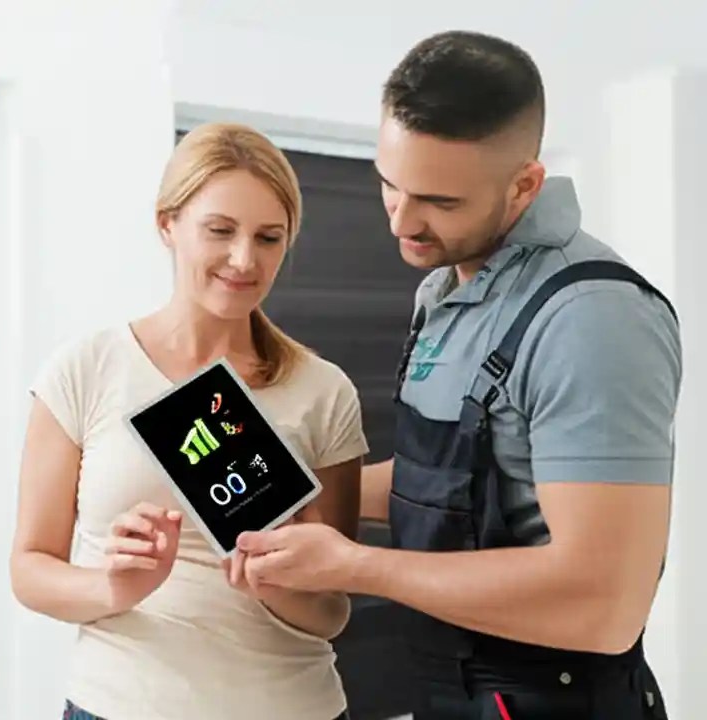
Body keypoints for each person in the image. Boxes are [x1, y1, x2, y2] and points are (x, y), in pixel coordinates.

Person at [232, 30, 681, 720]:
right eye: (389, 185)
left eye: (440, 203)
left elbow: (605, 605)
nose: (403, 222)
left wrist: (354, 564)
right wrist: (292, 484)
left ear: (524, 184)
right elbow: (452, 483)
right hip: (454, 691)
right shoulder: (442, 291)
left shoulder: (593, 317)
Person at [9, 122, 369, 720]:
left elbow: (333, 609)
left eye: (269, 238)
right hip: (118, 705)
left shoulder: (323, 390)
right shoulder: (86, 369)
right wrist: (114, 586)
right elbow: (30, 569)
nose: (243, 259)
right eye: (220, 231)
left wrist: (276, 584)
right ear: (167, 224)